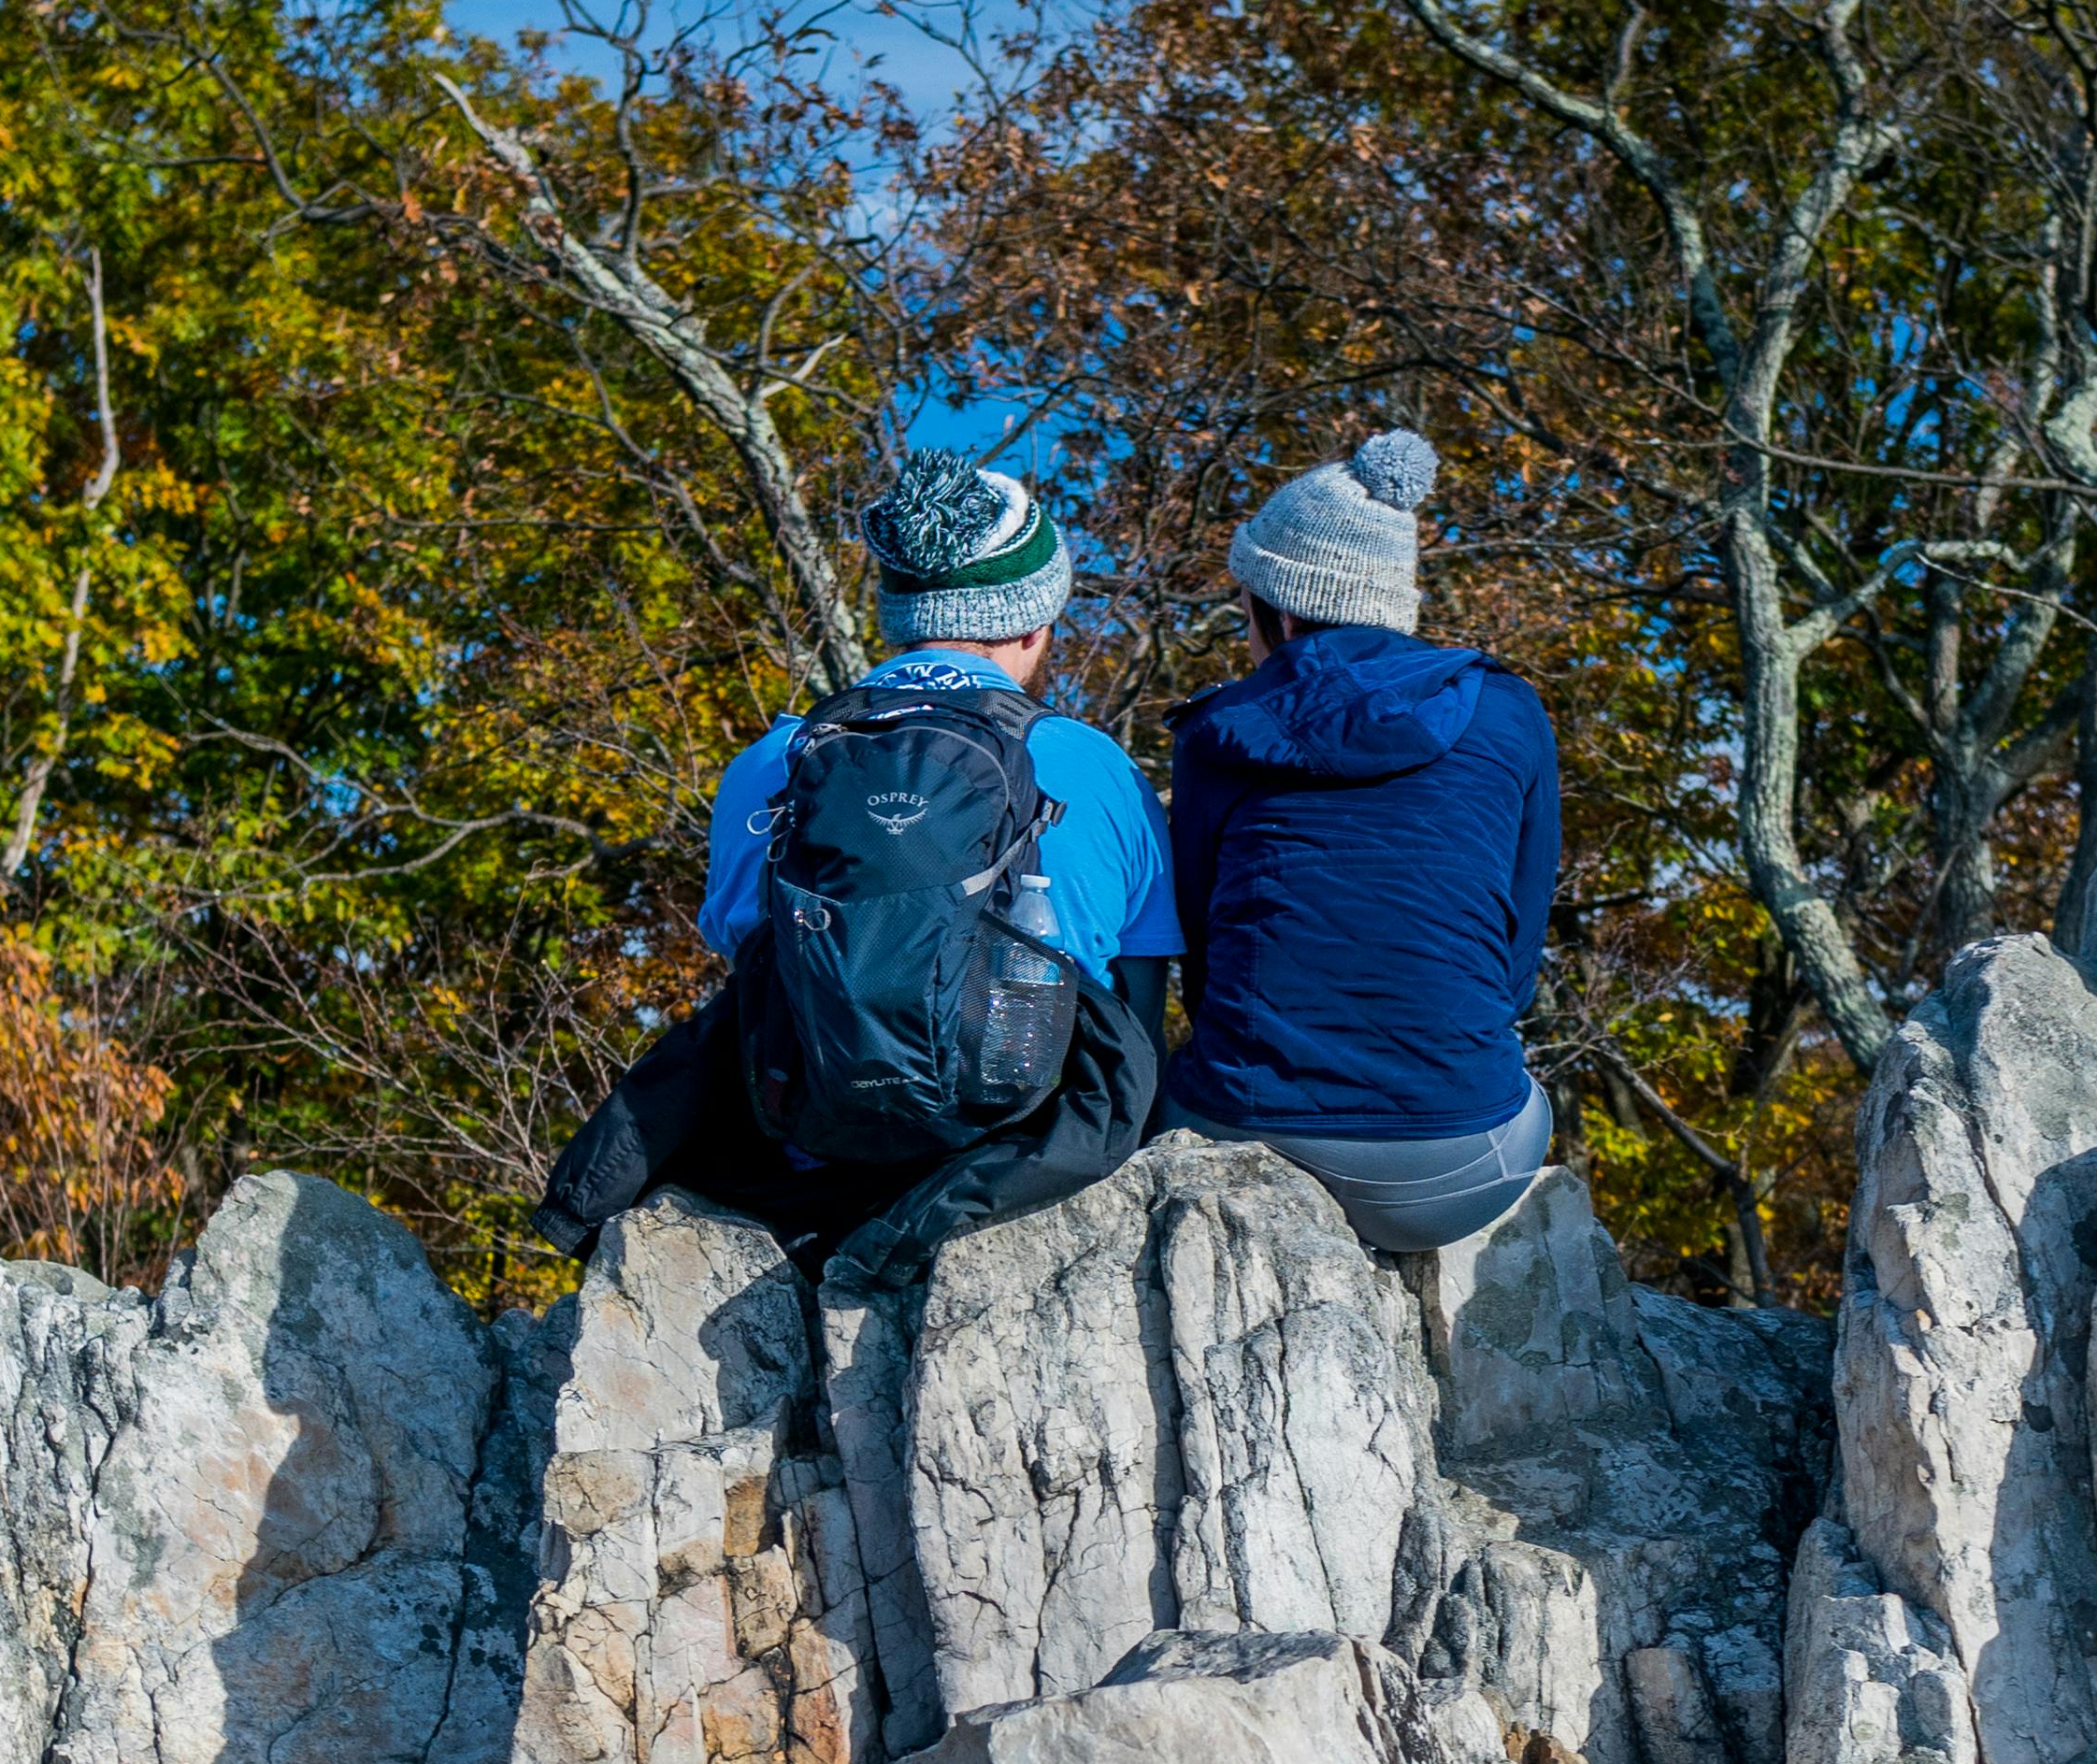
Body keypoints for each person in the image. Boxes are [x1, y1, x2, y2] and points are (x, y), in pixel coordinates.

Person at [529, 453, 1174, 1283]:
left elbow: (746, 952)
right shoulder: (1097, 767)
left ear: (894, 617)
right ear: (1033, 625)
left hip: (805, 1140)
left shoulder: (773, 761)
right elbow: (1139, 999)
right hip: (1022, 1142)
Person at [1162, 428, 1562, 1252]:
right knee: (1526, 1099)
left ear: (1275, 606)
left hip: (1245, 1138)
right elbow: (1516, 964)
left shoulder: (1218, 731)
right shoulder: (1507, 709)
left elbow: (1202, 958)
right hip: (1457, 1170)